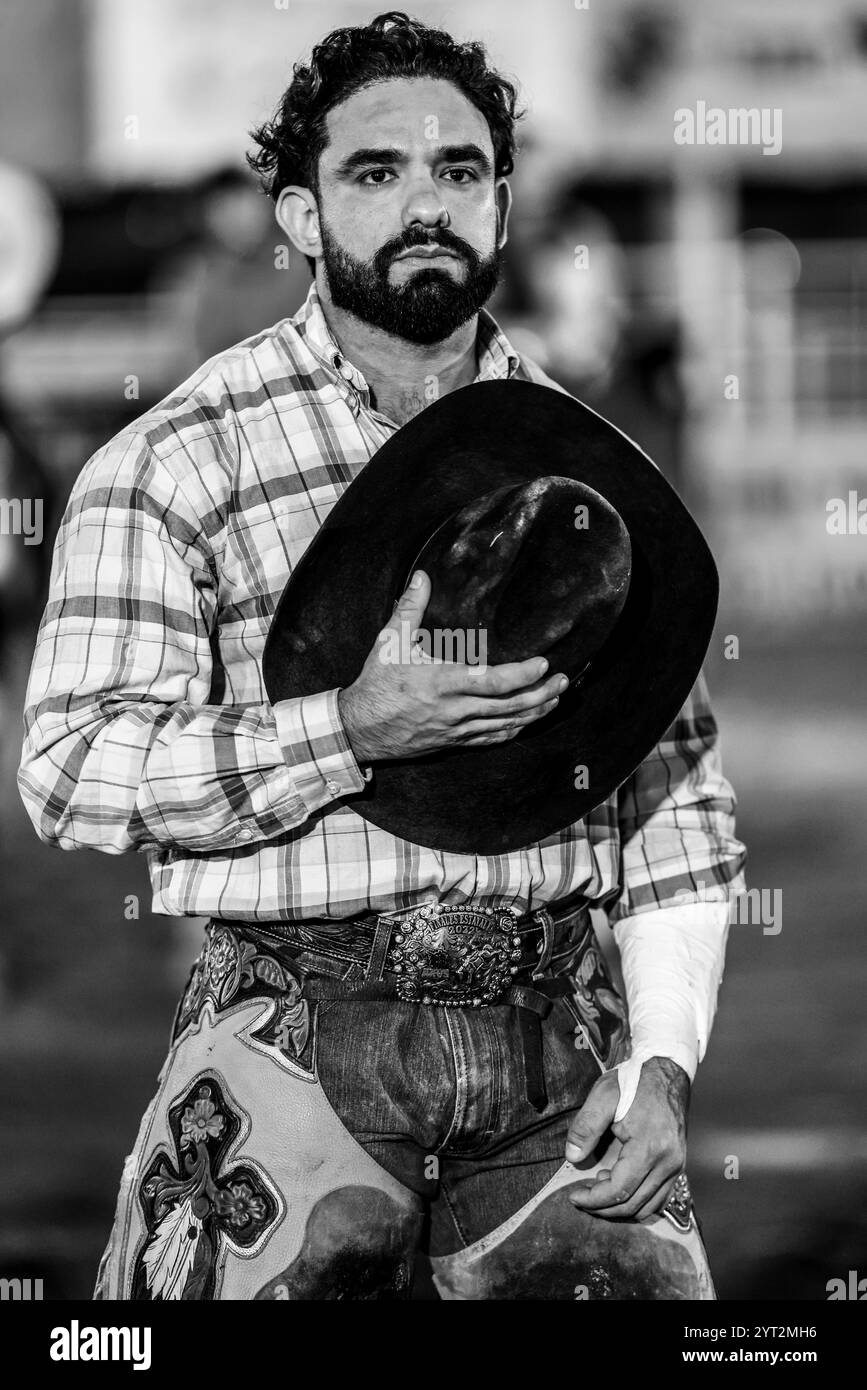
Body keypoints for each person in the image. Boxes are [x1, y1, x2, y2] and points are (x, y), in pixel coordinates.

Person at [17, 12, 746, 1300]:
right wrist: (351, 729)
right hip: (287, 1037)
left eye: (459, 172)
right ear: (300, 216)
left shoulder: (592, 475)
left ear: (505, 207)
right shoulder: (178, 460)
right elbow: (72, 771)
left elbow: (678, 811)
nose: (425, 203)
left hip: (557, 1055)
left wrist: (662, 1068)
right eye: (375, 172)